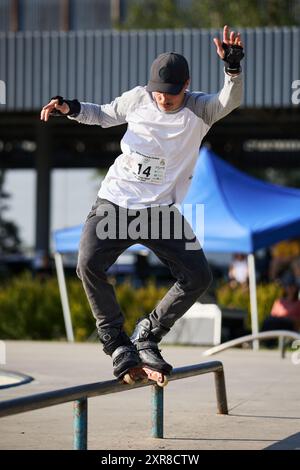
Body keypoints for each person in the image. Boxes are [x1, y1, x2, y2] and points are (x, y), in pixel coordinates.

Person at [40, 25, 244, 381]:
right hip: (115, 203)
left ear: (186, 84)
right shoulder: (138, 98)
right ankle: (117, 343)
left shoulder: (200, 111)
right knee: (87, 263)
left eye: (171, 93)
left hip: (161, 213)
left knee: (198, 276)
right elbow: (103, 114)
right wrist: (71, 107)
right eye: (159, 93)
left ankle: (148, 334)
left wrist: (232, 70)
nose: (163, 100)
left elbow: (230, 100)